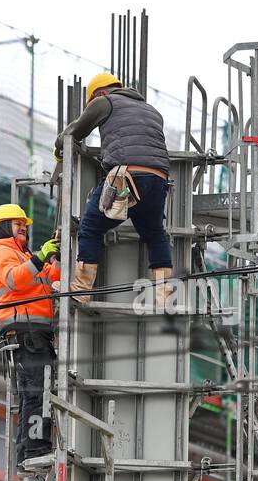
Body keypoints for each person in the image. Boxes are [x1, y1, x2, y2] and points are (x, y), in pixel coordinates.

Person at [54, 72, 173, 308]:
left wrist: (59, 146)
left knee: (90, 226)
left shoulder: (104, 101)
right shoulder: (152, 111)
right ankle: (164, 297)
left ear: (100, 93)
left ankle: (81, 290)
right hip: (159, 179)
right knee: (155, 235)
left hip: (127, 176)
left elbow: (75, 132)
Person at [0, 202, 60, 467]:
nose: (23, 229)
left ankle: (27, 454)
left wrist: (55, 259)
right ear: (3, 227)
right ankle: (35, 450)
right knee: (37, 392)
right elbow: (14, 280)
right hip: (24, 333)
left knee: (35, 392)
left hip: (33, 333)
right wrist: (40, 257)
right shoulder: (2, 254)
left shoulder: (23, 255)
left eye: (24, 225)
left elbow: (51, 279)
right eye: (18, 224)